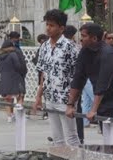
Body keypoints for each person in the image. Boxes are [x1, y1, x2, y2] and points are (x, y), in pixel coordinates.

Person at [66, 22, 113, 145]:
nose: (81, 39)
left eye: (84, 36)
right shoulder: (85, 51)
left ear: (94, 38)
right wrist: (70, 104)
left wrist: (93, 109)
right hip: (102, 101)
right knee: (107, 137)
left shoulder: (108, 53)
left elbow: (104, 82)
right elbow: (78, 78)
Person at [33, 9, 79, 146]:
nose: (48, 28)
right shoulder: (44, 47)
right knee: (56, 137)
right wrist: (38, 97)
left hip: (66, 98)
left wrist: (72, 102)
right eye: (47, 24)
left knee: (71, 137)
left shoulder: (70, 47)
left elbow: (77, 76)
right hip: (50, 97)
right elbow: (43, 74)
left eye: (52, 25)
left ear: (61, 28)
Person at [0, 31, 28, 122]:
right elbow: (18, 66)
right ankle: (19, 115)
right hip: (15, 77)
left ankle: (9, 116)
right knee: (20, 96)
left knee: (7, 98)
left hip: (4, 77)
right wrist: (22, 73)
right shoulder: (13, 54)